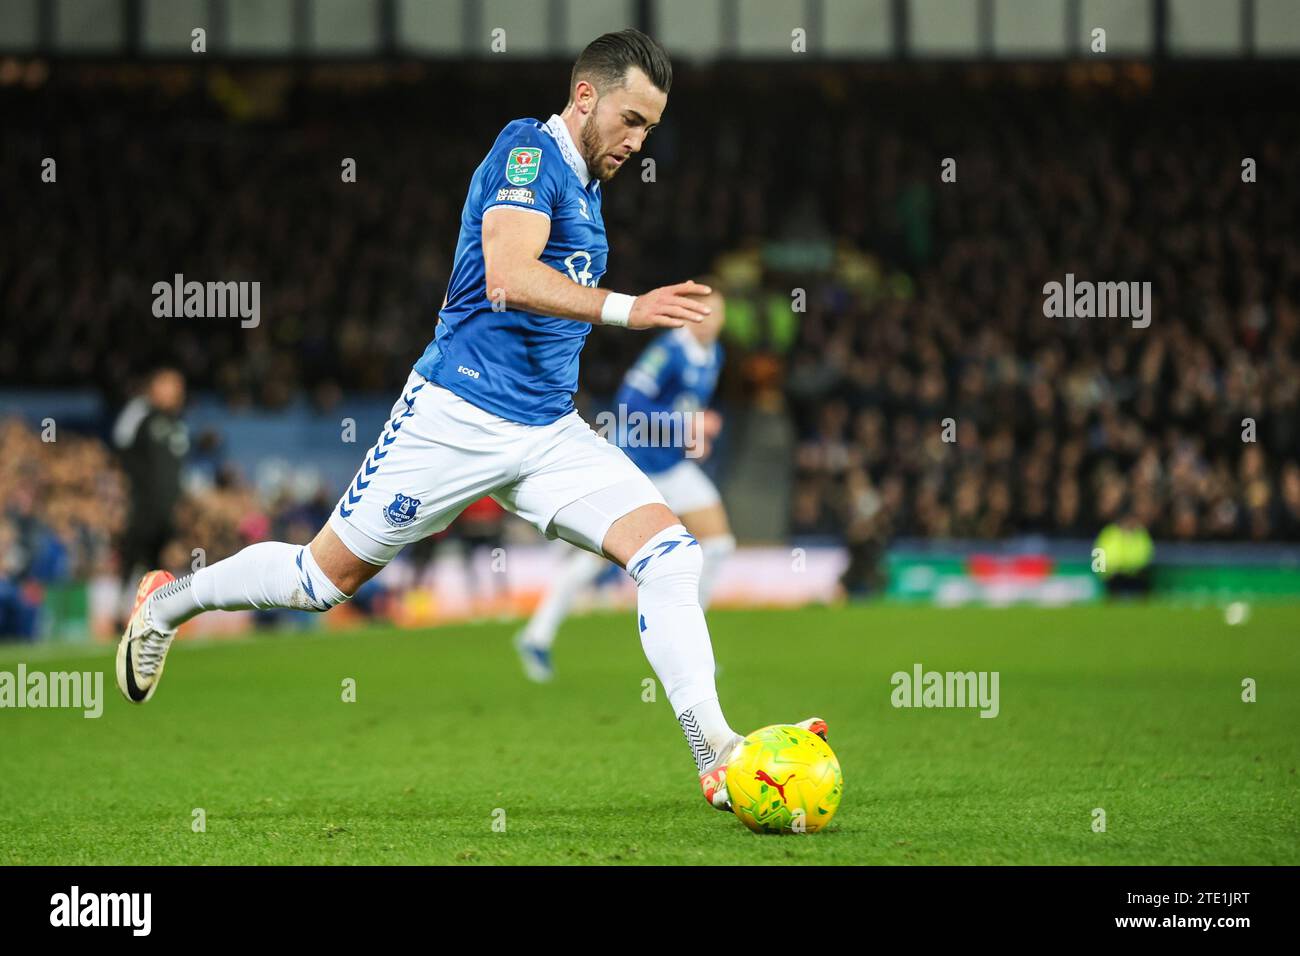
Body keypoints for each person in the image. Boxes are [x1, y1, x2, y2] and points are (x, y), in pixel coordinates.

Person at [115, 29, 824, 812]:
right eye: (630, 119)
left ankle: (716, 750)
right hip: (456, 417)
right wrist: (630, 308)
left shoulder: (587, 190)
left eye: (650, 128)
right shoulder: (527, 150)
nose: (638, 140)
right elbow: (508, 276)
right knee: (321, 580)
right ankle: (168, 605)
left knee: (672, 555)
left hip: (550, 433)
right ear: (585, 96)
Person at [515, 281, 735, 681]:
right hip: (636, 464)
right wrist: (687, 425)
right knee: (592, 561)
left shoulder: (713, 354)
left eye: (718, 314)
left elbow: (684, 408)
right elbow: (629, 406)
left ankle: (690, 646)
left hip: (671, 465)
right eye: (704, 312)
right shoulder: (667, 352)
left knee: (718, 544)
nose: (712, 321)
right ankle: (536, 635)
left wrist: (689, 434)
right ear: (688, 313)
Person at [112, 368, 188, 621]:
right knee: (134, 555)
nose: (174, 391)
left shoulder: (177, 423)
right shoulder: (141, 414)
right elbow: (120, 441)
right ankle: (120, 611)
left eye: (177, 386)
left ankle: (150, 613)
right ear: (153, 387)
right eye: (167, 385)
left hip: (168, 510)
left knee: (158, 562)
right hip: (142, 505)